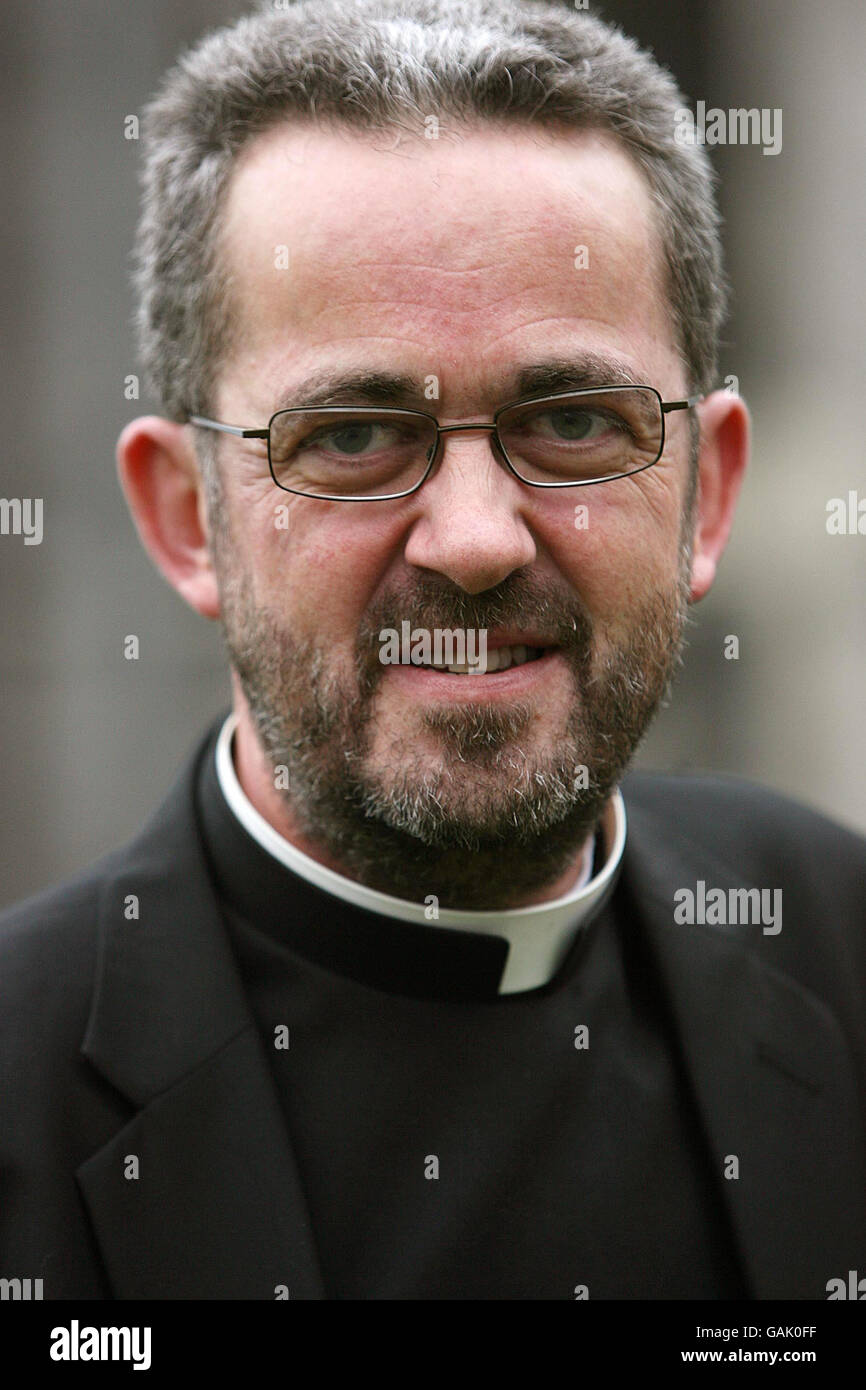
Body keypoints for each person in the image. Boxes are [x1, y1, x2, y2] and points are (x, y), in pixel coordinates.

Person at [1, 0, 863, 1301]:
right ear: (189, 519)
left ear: (708, 492)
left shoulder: (836, 943)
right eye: (350, 435)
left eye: (573, 418)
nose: (472, 541)